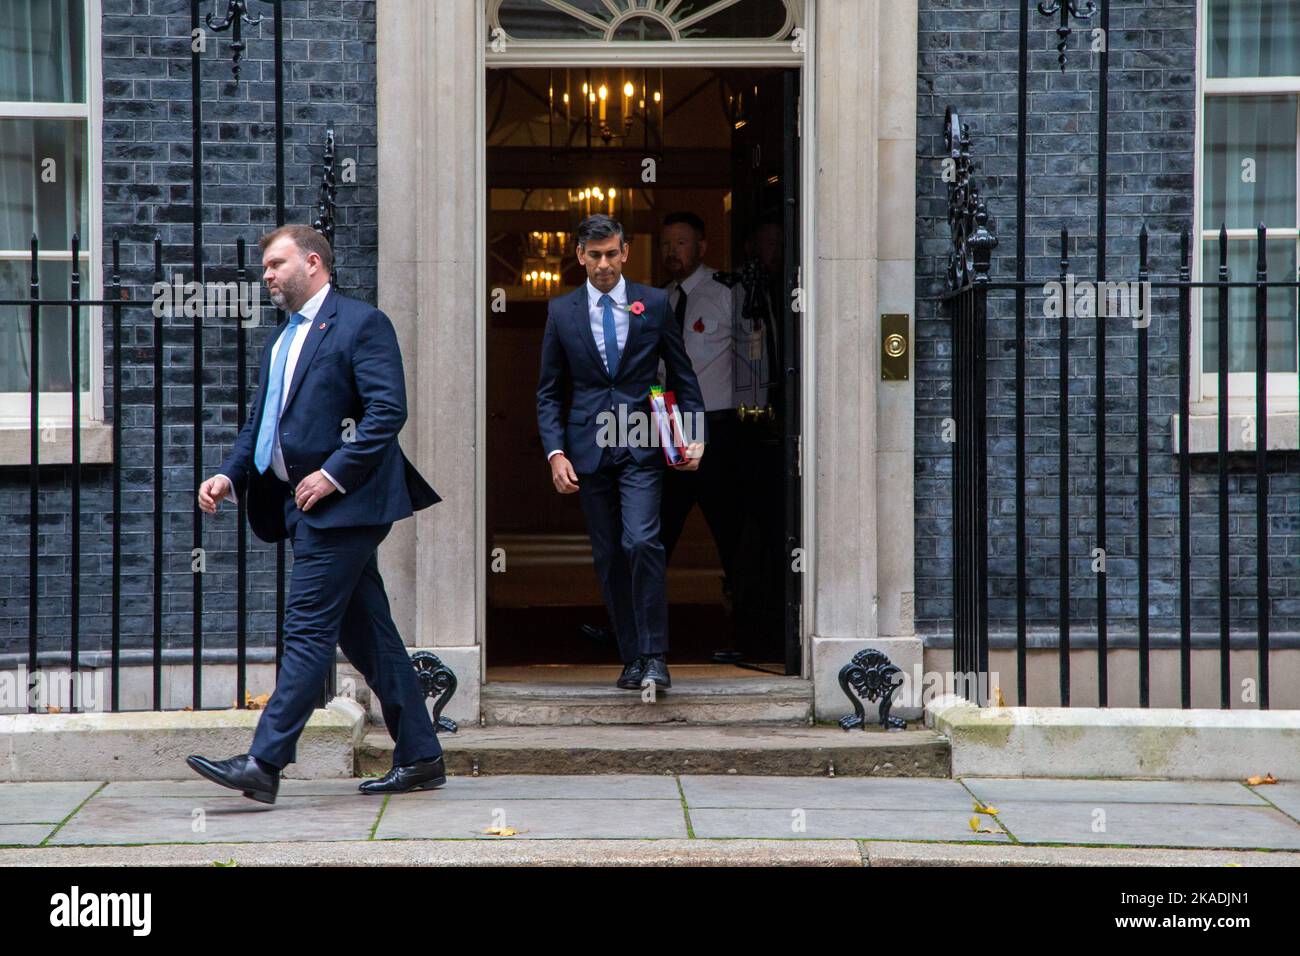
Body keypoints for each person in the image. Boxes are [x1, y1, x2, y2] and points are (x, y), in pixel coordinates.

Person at [189, 224, 443, 805]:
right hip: (299, 506)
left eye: (276, 264)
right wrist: (230, 474)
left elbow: (386, 411)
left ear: (313, 261)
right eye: (265, 268)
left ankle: (265, 761)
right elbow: (262, 425)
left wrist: (333, 473)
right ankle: (422, 756)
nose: (267, 275)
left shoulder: (362, 324)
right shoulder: (281, 339)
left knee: (306, 630)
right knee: (370, 635)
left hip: (346, 506)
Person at [537, 213, 707, 691]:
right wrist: (555, 454)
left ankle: (654, 656)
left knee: (642, 542)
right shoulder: (561, 311)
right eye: (595, 256)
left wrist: (694, 436)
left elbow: (682, 373)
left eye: (612, 254)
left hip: (640, 443)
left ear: (626, 253)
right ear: (580, 257)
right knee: (609, 555)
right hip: (588, 450)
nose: (604, 264)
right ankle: (631, 656)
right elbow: (549, 391)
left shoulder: (653, 304)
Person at [658, 212, 744, 656]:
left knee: (729, 532)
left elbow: (755, 356)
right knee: (656, 533)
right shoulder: (660, 299)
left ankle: (750, 636)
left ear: (702, 248)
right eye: (667, 243)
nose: (673, 251)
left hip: (715, 426)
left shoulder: (727, 293)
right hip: (668, 425)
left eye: (682, 243)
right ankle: (640, 637)